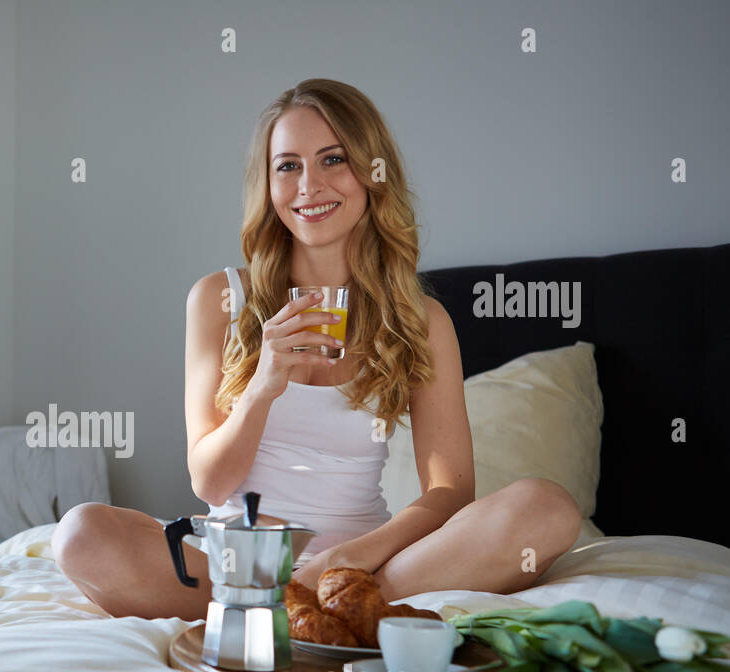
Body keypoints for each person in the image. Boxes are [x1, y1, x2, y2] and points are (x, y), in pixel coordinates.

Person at [52, 79, 581, 621]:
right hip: (236, 559)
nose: (309, 185)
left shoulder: (421, 321)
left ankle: (307, 605)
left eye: (333, 159)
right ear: (268, 183)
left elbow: (450, 494)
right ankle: (301, 608)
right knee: (81, 535)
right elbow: (208, 482)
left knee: (545, 509)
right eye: (288, 166)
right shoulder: (217, 299)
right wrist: (262, 385)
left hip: (371, 564)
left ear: (372, 172)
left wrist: (352, 557)